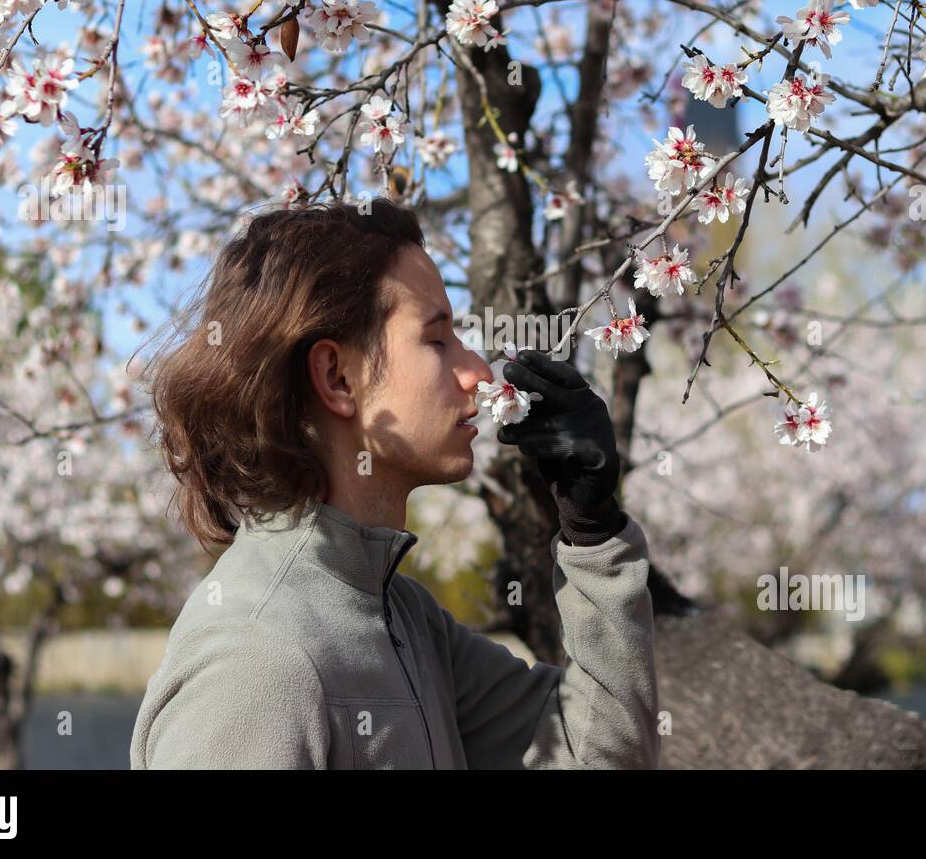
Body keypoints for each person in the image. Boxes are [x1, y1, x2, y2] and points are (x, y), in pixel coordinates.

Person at [129, 197, 659, 769]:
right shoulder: (253, 664)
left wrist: (591, 526)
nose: (479, 372)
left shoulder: (405, 619)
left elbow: (596, 754)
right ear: (337, 378)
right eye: (437, 340)